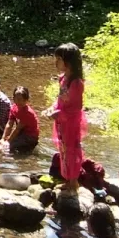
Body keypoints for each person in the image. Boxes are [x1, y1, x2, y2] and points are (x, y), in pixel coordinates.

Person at [43, 43, 86, 199]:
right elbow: (60, 100)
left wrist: (58, 113)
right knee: (63, 150)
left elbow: (75, 107)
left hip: (71, 122)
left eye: (59, 59)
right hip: (62, 120)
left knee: (72, 150)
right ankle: (68, 179)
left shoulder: (76, 83)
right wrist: (51, 108)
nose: (56, 63)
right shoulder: (63, 79)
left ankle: (74, 182)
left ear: (68, 62)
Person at [0, 86, 40, 155]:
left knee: (7, 146)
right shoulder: (14, 108)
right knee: (0, 142)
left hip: (30, 136)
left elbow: (17, 129)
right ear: (14, 99)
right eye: (17, 99)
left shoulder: (28, 113)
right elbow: (9, 124)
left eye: (22, 100)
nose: (19, 102)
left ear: (26, 100)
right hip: (21, 133)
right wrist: (3, 138)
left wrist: (8, 141)